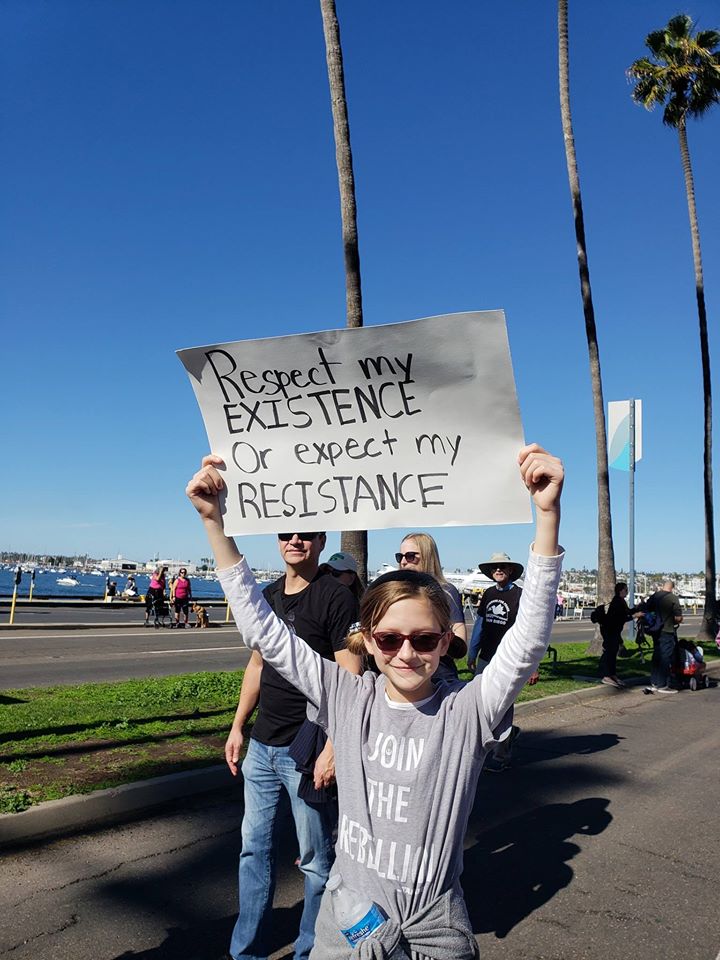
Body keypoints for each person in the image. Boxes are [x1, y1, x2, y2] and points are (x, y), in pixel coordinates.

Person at [186, 443, 563, 960]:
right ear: (367, 639)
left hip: (434, 926)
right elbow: (265, 634)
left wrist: (546, 516)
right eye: (389, 639)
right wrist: (215, 524)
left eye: (424, 640)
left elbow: (529, 639)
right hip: (348, 920)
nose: (406, 653)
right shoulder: (347, 695)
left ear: (444, 640)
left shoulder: (467, 711)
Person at [222, 531, 361, 960]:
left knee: (316, 861)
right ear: (278, 541)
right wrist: (237, 725)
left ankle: (307, 951)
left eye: (306, 535)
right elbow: (257, 664)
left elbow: (350, 677)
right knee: (253, 850)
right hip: (262, 748)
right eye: (287, 534)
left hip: (307, 749)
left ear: (321, 541)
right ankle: (244, 952)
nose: (295, 541)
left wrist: (335, 746)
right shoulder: (265, 595)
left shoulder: (336, 598)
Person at [467, 551, 536, 772]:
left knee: (503, 706)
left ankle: (501, 754)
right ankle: (485, 744)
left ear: (511, 571)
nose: (498, 570)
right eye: (495, 567)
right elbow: (480, 624)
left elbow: (530, 632)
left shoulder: (520, 595)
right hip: (486, 657)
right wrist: (472, 651)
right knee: (479, 702)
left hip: (509, 660)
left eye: (502, 567)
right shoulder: (487, 594)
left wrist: (534, 665)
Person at [395, 532, 467, 681]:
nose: (403, 561)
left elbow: (460, 643)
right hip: (402, 671)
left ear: (427, 556)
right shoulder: (393, 591)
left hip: (439, 673)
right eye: (399, 556)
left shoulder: (447, 591)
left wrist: (431, 637)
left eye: (410, 556)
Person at [643, 580, 683, 694]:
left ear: (662, 586)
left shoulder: (654, 596)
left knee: (656, 655)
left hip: (655, 630)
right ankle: (662, 685)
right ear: (672, 588)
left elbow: (647, 610)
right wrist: (676, 619)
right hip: (667, 630)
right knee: (666, 656)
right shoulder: (673, 598)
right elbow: (678, 617)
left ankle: (654, 682)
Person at [598, 582, 639, 688]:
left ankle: (612, 674)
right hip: (610, 631)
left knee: (613, 652)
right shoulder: (617, 601)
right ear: (620, 590)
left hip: (615, 631)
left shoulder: (621, 601)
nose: (627, 591)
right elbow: (621, 618)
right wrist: (635, 616)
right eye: (625, 590)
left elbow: (627, 612)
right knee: (610, 653)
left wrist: (637, 609)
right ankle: (606, 675)